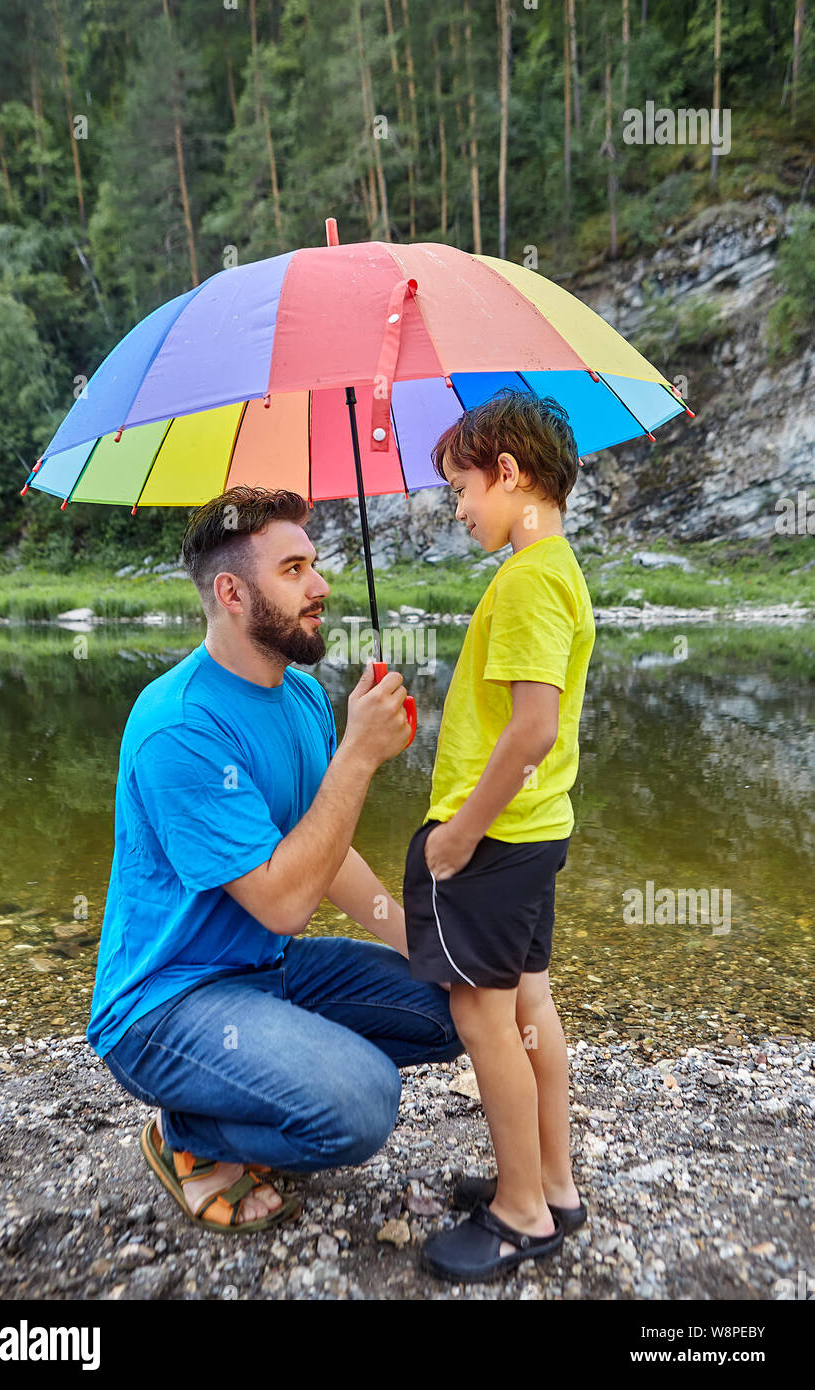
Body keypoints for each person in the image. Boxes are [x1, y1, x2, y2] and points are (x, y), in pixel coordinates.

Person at [87, 487, 462, 1234]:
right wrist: (357, 757)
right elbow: (286, 902)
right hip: (168, 1004)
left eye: (314, 565)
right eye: (294, 570)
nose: (321, 587)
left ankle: (261, 1077)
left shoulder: (300, 696)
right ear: (231, 592)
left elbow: (325, 852)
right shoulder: (179, 727)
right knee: (362, 1105)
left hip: (268, 974)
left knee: (459, 1006)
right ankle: (187, 1135)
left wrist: (422, 941)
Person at [402, 386, 595, 1282]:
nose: (459, 508)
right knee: (528, 1010)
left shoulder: (524, 582)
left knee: (483, 1018)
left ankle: (520, 1214)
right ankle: (551, 1186)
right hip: (538, 830)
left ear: (509, 475)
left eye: (461, 490)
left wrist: (455, 837)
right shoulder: (557, 569)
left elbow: (531, 730)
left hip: (497, 840)